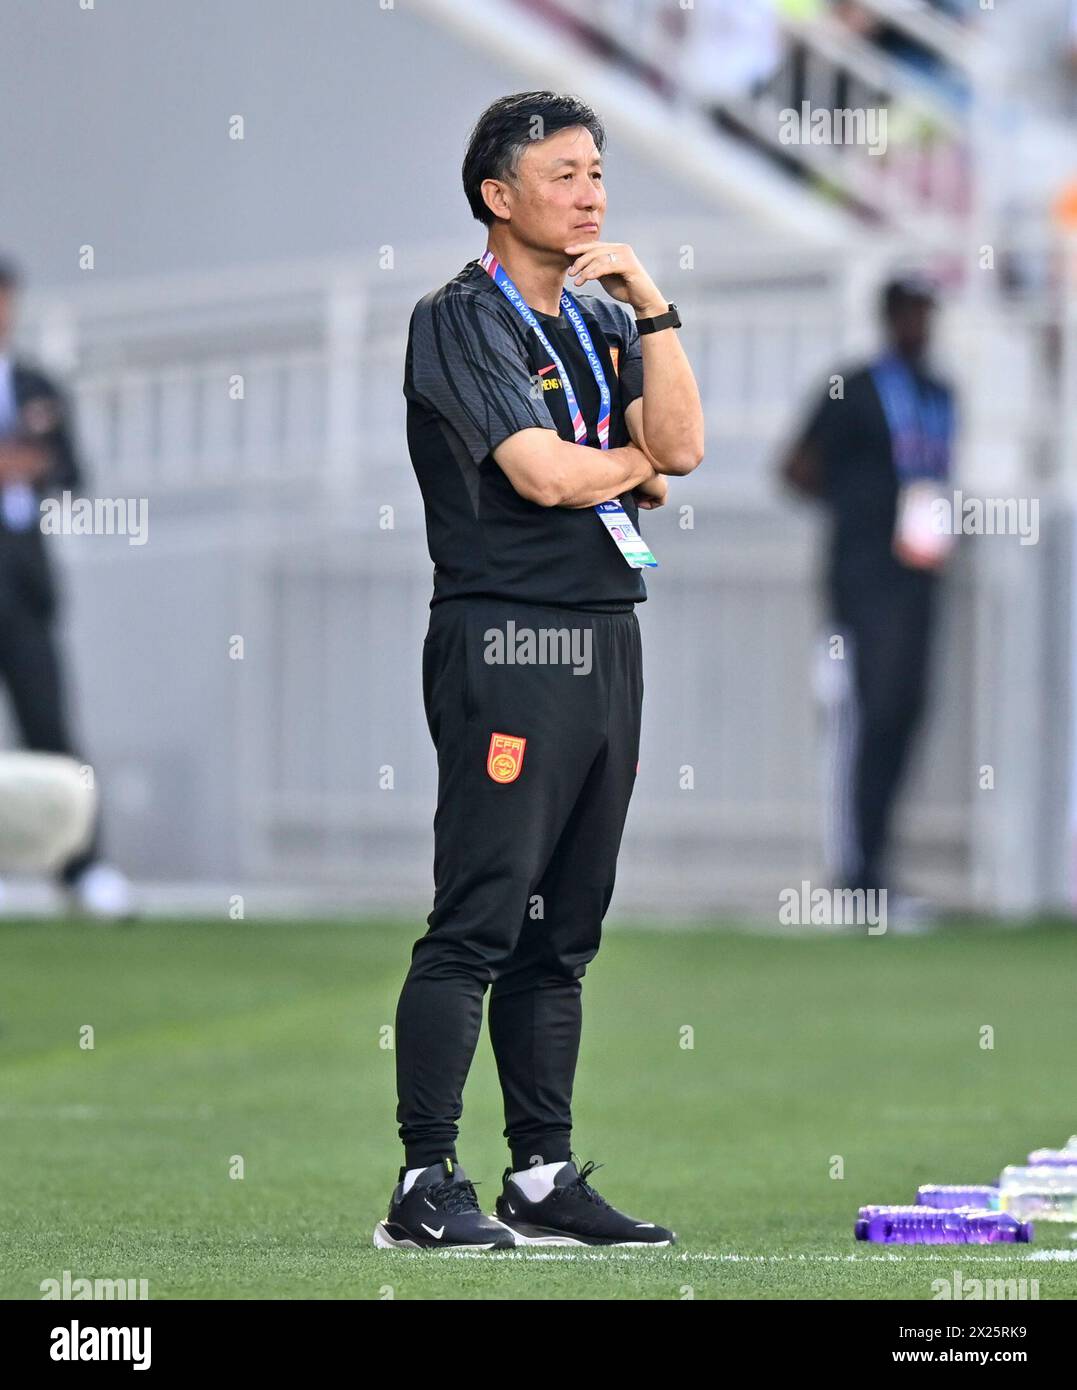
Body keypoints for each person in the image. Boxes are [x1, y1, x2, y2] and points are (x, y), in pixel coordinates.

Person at [378, 92, 704, 1250]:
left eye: (598, 172)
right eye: (563, 173)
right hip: (507, 636)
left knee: (561, 928)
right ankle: (423, 1183)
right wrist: (626, 465)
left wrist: (656, 314)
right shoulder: (460, 318)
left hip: (608, 629)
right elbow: (547, 476)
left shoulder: (610, 320)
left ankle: (541, 1174)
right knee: (477, 915)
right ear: (497, 196)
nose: (592, 192)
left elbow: (683, 451)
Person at [781, 275, 955, 903]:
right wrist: (856, 507)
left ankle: (878, 866)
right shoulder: (852, 388)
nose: (922, 326)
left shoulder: (940, 392)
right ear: (888, 316)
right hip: (862, 580)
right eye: (911, 313)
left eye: (927, 313)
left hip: (918, 578)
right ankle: (853, 872)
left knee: (905, 712)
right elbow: (794, 466)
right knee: (865, 712)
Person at [0, 257, 132, 918]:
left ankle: (83, 869)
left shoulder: (35, 385)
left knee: (51, 727)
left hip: (22, 584)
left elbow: (75, 472)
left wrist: (32, 463)